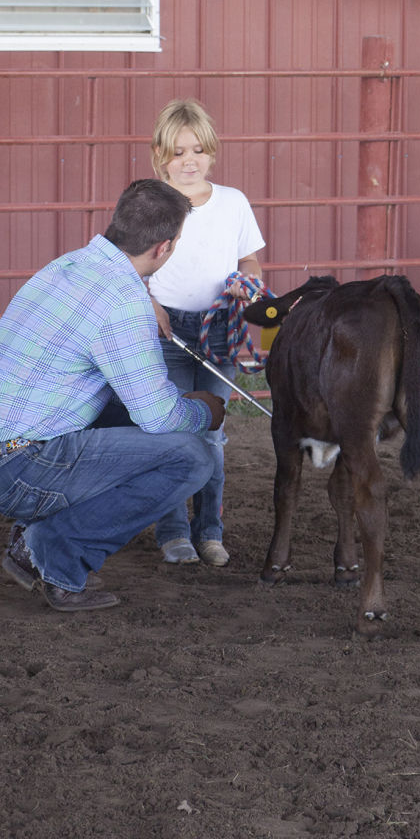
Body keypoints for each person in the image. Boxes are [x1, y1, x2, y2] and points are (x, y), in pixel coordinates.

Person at [0, 179, 224, 613]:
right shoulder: (123, 300)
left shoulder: (68, 265)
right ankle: (55, 552)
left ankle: (32, 539)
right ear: (164, 247)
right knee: (191, 457)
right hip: (15, 468)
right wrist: (204, 411)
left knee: (125, 408)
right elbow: (158, 416)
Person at [147, 98, 266, 568]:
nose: (189, 161)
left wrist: (246, 284)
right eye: (178, 152)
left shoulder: (233, 203)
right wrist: (151, 304)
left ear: (212, 152)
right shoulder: (151, 204)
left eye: (197, 150)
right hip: (167, 332)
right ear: (160, 156)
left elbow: (250, 260)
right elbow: (128, 267)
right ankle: (173, 532)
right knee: (172, 431)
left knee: (211, 435)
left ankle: (210, 531)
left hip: (219, 333)